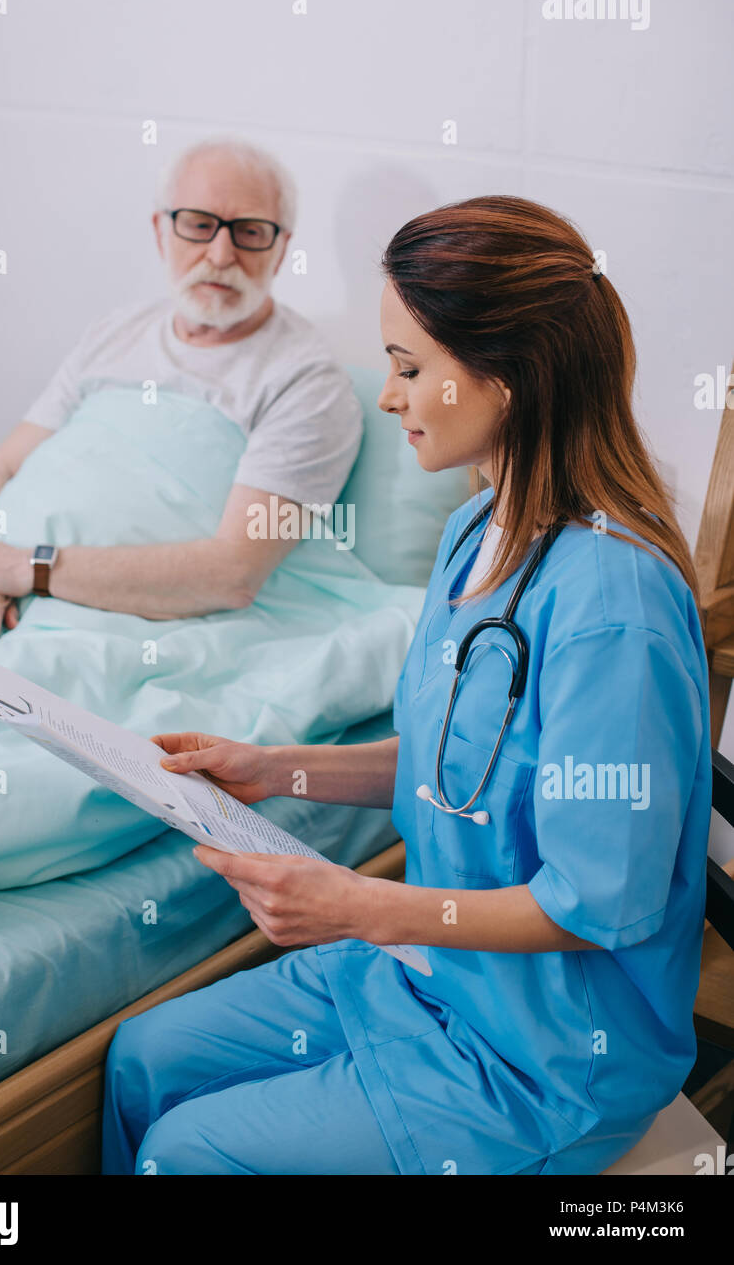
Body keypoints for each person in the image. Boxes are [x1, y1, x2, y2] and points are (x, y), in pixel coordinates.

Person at [100, 194, 712, 1176]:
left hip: (542, 1056)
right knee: (144, 1062)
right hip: (433, 978)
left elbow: (598, 902)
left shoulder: (612, 611)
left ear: (507, 378)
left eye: (410, 366)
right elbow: (453, 763)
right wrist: (273, 768)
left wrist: (356, 906)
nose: (389, 396)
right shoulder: (477, 528)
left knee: (186, 1151)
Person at [0, 137, 362, 634]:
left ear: (282, 248)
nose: (221, 254)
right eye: (199, 225)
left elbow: (232, 573)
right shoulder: (115, 332)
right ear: (162, 232)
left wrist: (21, 568)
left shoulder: (307, 382)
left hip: (121, 617)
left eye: (249, 231)